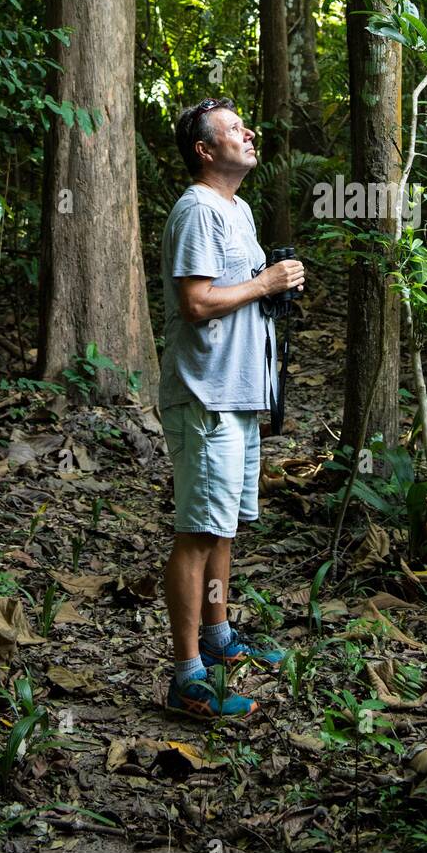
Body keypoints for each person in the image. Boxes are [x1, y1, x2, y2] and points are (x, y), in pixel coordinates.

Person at [158, 96, 305, 720]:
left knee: (224, 526)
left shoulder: (238, 208)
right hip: (206, 396)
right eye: (235, 130)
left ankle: (218, 639)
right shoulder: (197, 210)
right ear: (205, 150)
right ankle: (186, 675)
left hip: (239, 392)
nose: (249, 133)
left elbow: (236, 292)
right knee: (197, 532)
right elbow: (196, 302)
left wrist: (274, 286)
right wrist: (266, 283)